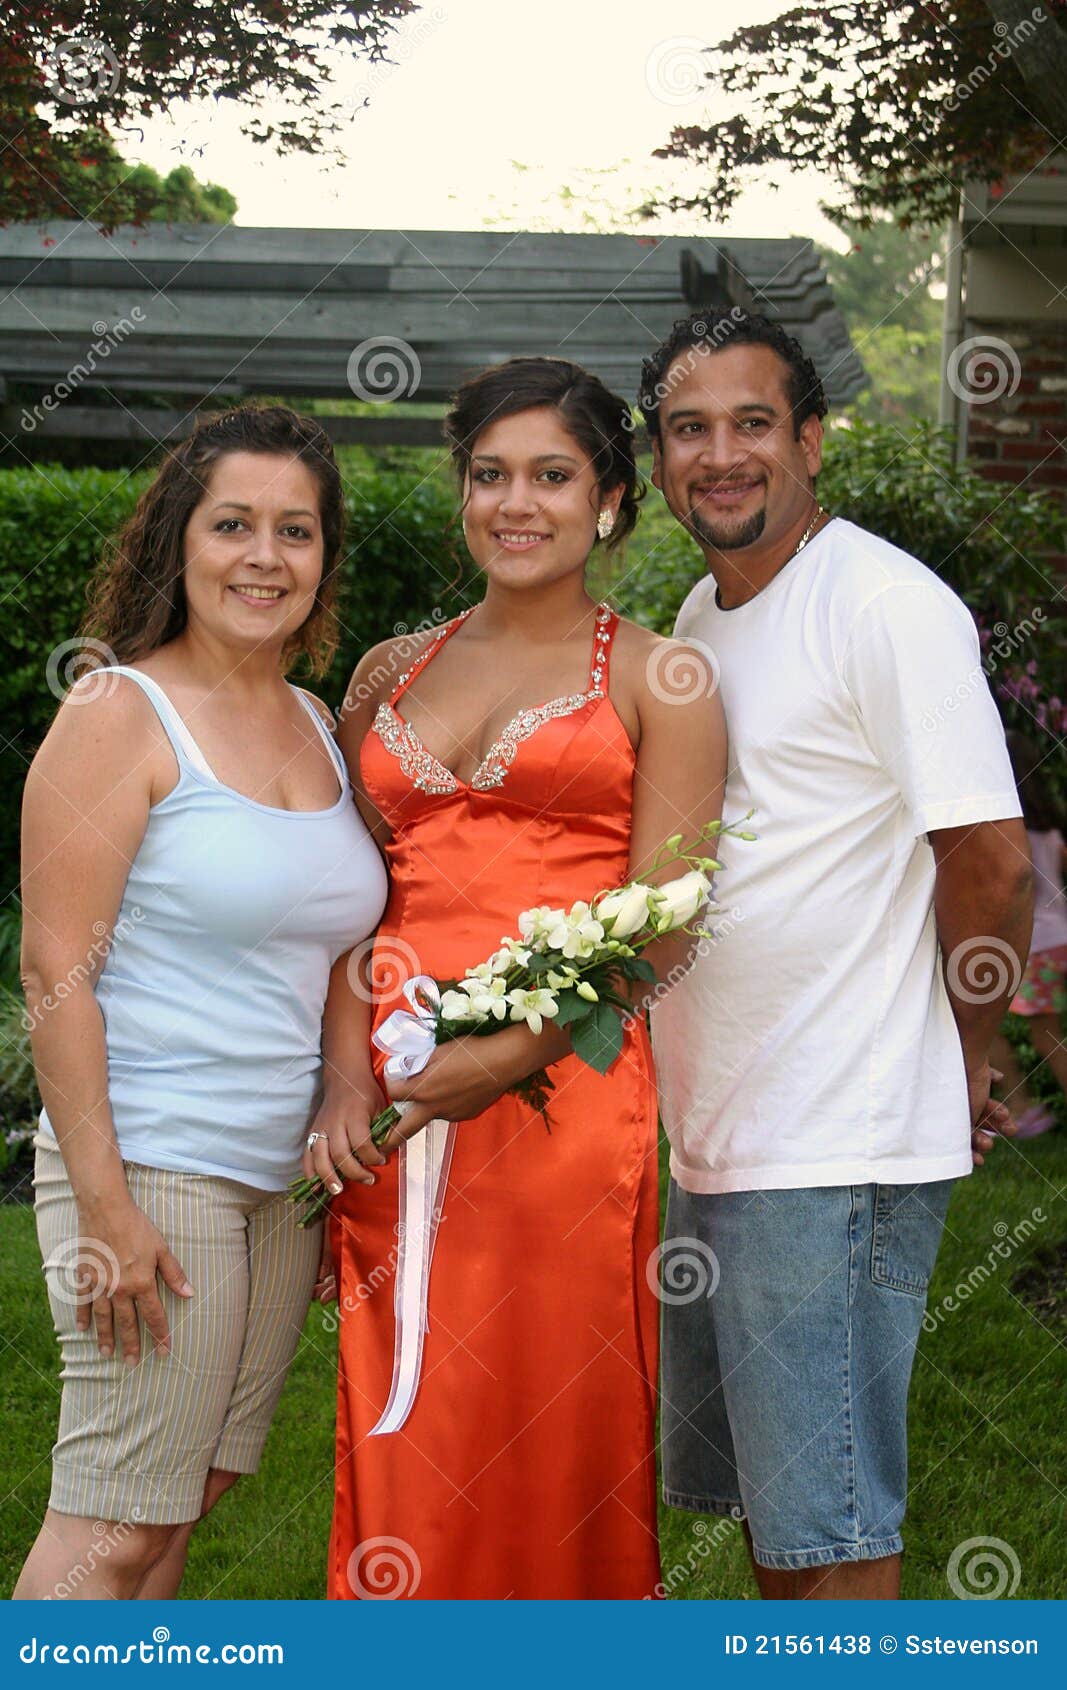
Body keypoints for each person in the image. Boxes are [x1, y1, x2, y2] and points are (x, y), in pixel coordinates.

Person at [307, 356, 726, 1599]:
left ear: (609, 498)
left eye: (551, 475)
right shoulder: (386, 671)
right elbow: (348, 896)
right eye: (488, 474)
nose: (515, 503)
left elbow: (668, 922)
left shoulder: (659, 676)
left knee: (551, 1406)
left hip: (561, 1106)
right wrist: (345, 1084)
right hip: (394, 1098)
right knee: (407, 1410)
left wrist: (501, 1059)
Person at [641, 309, 1032, 1600]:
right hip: (726, 1132)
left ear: (809, 439)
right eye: (687, 429)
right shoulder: (703, 612)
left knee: (833, 1536)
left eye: (750, 422)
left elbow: (990, 861)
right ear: (656, 459)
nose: (719, 455)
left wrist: (961, 1056)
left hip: (831, 1140)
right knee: (783, 1525)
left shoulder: (882, 604)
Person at [14, 405, 387, 1600]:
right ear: (179, 539)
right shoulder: (118, 713)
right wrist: (106, 1207)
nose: (263, 557)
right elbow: (54, 971)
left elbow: (344, 942)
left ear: (324, 557)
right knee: (116, 1520)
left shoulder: (320, 726)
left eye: (295, 530)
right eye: (233, 525)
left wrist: (341, 1089)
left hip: (278, 1183)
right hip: (152, 1158)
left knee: (188, 1497)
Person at [989, 730, 1067, 1137]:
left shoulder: (1011, 835)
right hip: (1060, 941)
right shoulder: (1051, 834)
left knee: (1044, 1036)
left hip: (1035, 948)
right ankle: (1020, 1108)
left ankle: (1021, 1109)